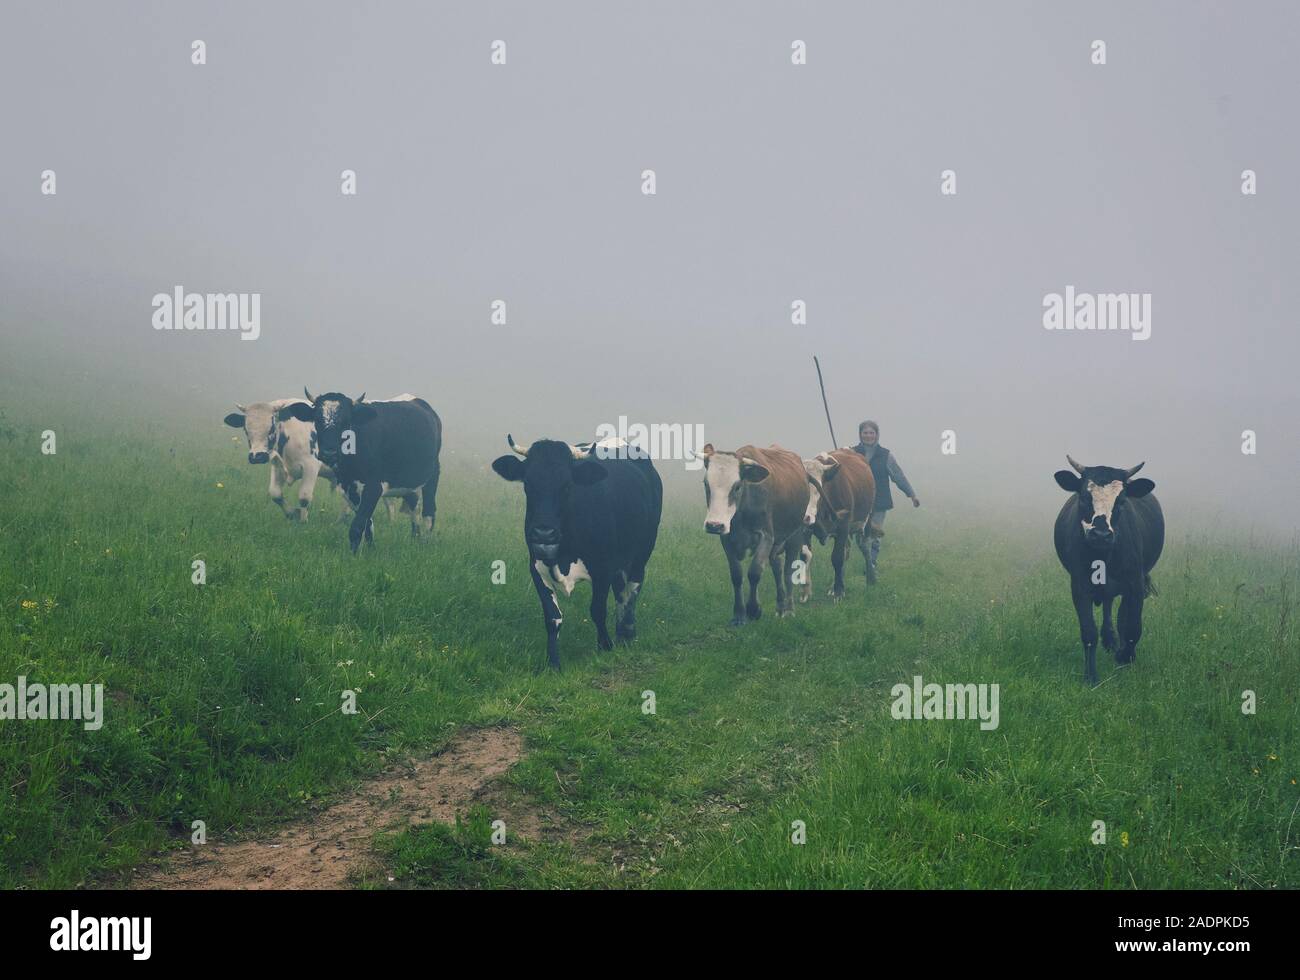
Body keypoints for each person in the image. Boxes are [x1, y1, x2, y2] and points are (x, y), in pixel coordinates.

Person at [850, 420, 919, 581]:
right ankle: (867, 559)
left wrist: (911, 494)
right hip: (858, 502)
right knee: (859, 536)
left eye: (871, 433)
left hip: (879, 502)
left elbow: (898, 475)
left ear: (877, 435)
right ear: (860, 434)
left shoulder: (886, 455)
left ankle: (871, 564)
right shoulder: (852, 453)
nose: (868, 436)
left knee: (874, 534)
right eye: (865, 433)